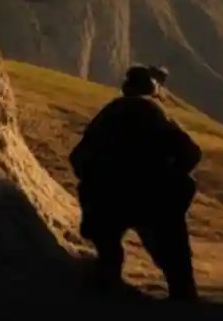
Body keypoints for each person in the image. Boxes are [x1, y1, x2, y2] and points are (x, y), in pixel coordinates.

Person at [69, 64, 202, 301]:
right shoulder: (155, 113)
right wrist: (171, 180)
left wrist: (97, 183)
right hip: (150, 197)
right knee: (175, 255)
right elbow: (191, 152)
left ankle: (106, 292)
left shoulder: (108, 114)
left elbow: (78, 157)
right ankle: (183, 298)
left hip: (105, 198)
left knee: (109, 250)